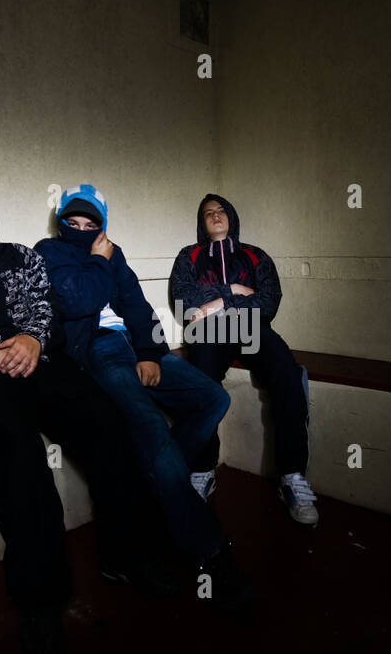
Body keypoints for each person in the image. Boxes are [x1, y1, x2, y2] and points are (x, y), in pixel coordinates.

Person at [0, 169, 177, 654]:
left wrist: (32, 339)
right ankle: (41, 599)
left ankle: (127, 556)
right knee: (21, 453)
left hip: (38, 359)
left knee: (107, 422)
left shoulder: (20, 255)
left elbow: (44, 308)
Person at [34, 184, 255, 609]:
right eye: (73, 224)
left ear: (102, 225)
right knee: (150, 425)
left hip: (135, 345)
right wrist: (98, 258)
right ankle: (211, 550)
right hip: (96, 349)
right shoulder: (50, 251)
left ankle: (159, 488)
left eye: (90, 224)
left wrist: (152, 353)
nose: (81, 230)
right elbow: (79, 298)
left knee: (212, 398)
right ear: (61, 225)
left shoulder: (116, 257)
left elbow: (136, 306)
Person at [170, 193, 318, 525]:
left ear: (232, 217)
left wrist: (218, 303)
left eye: (221, 210)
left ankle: (292, 476)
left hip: (253, 328)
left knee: (286, 371)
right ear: (202, 223)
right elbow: (185, 304)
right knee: (201, 377)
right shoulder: (189, 256)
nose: (216, 215)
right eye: (208, 213)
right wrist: (233, 291)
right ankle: (203, 469)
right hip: (210, 332)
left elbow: (268, 302)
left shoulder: (255, 255)